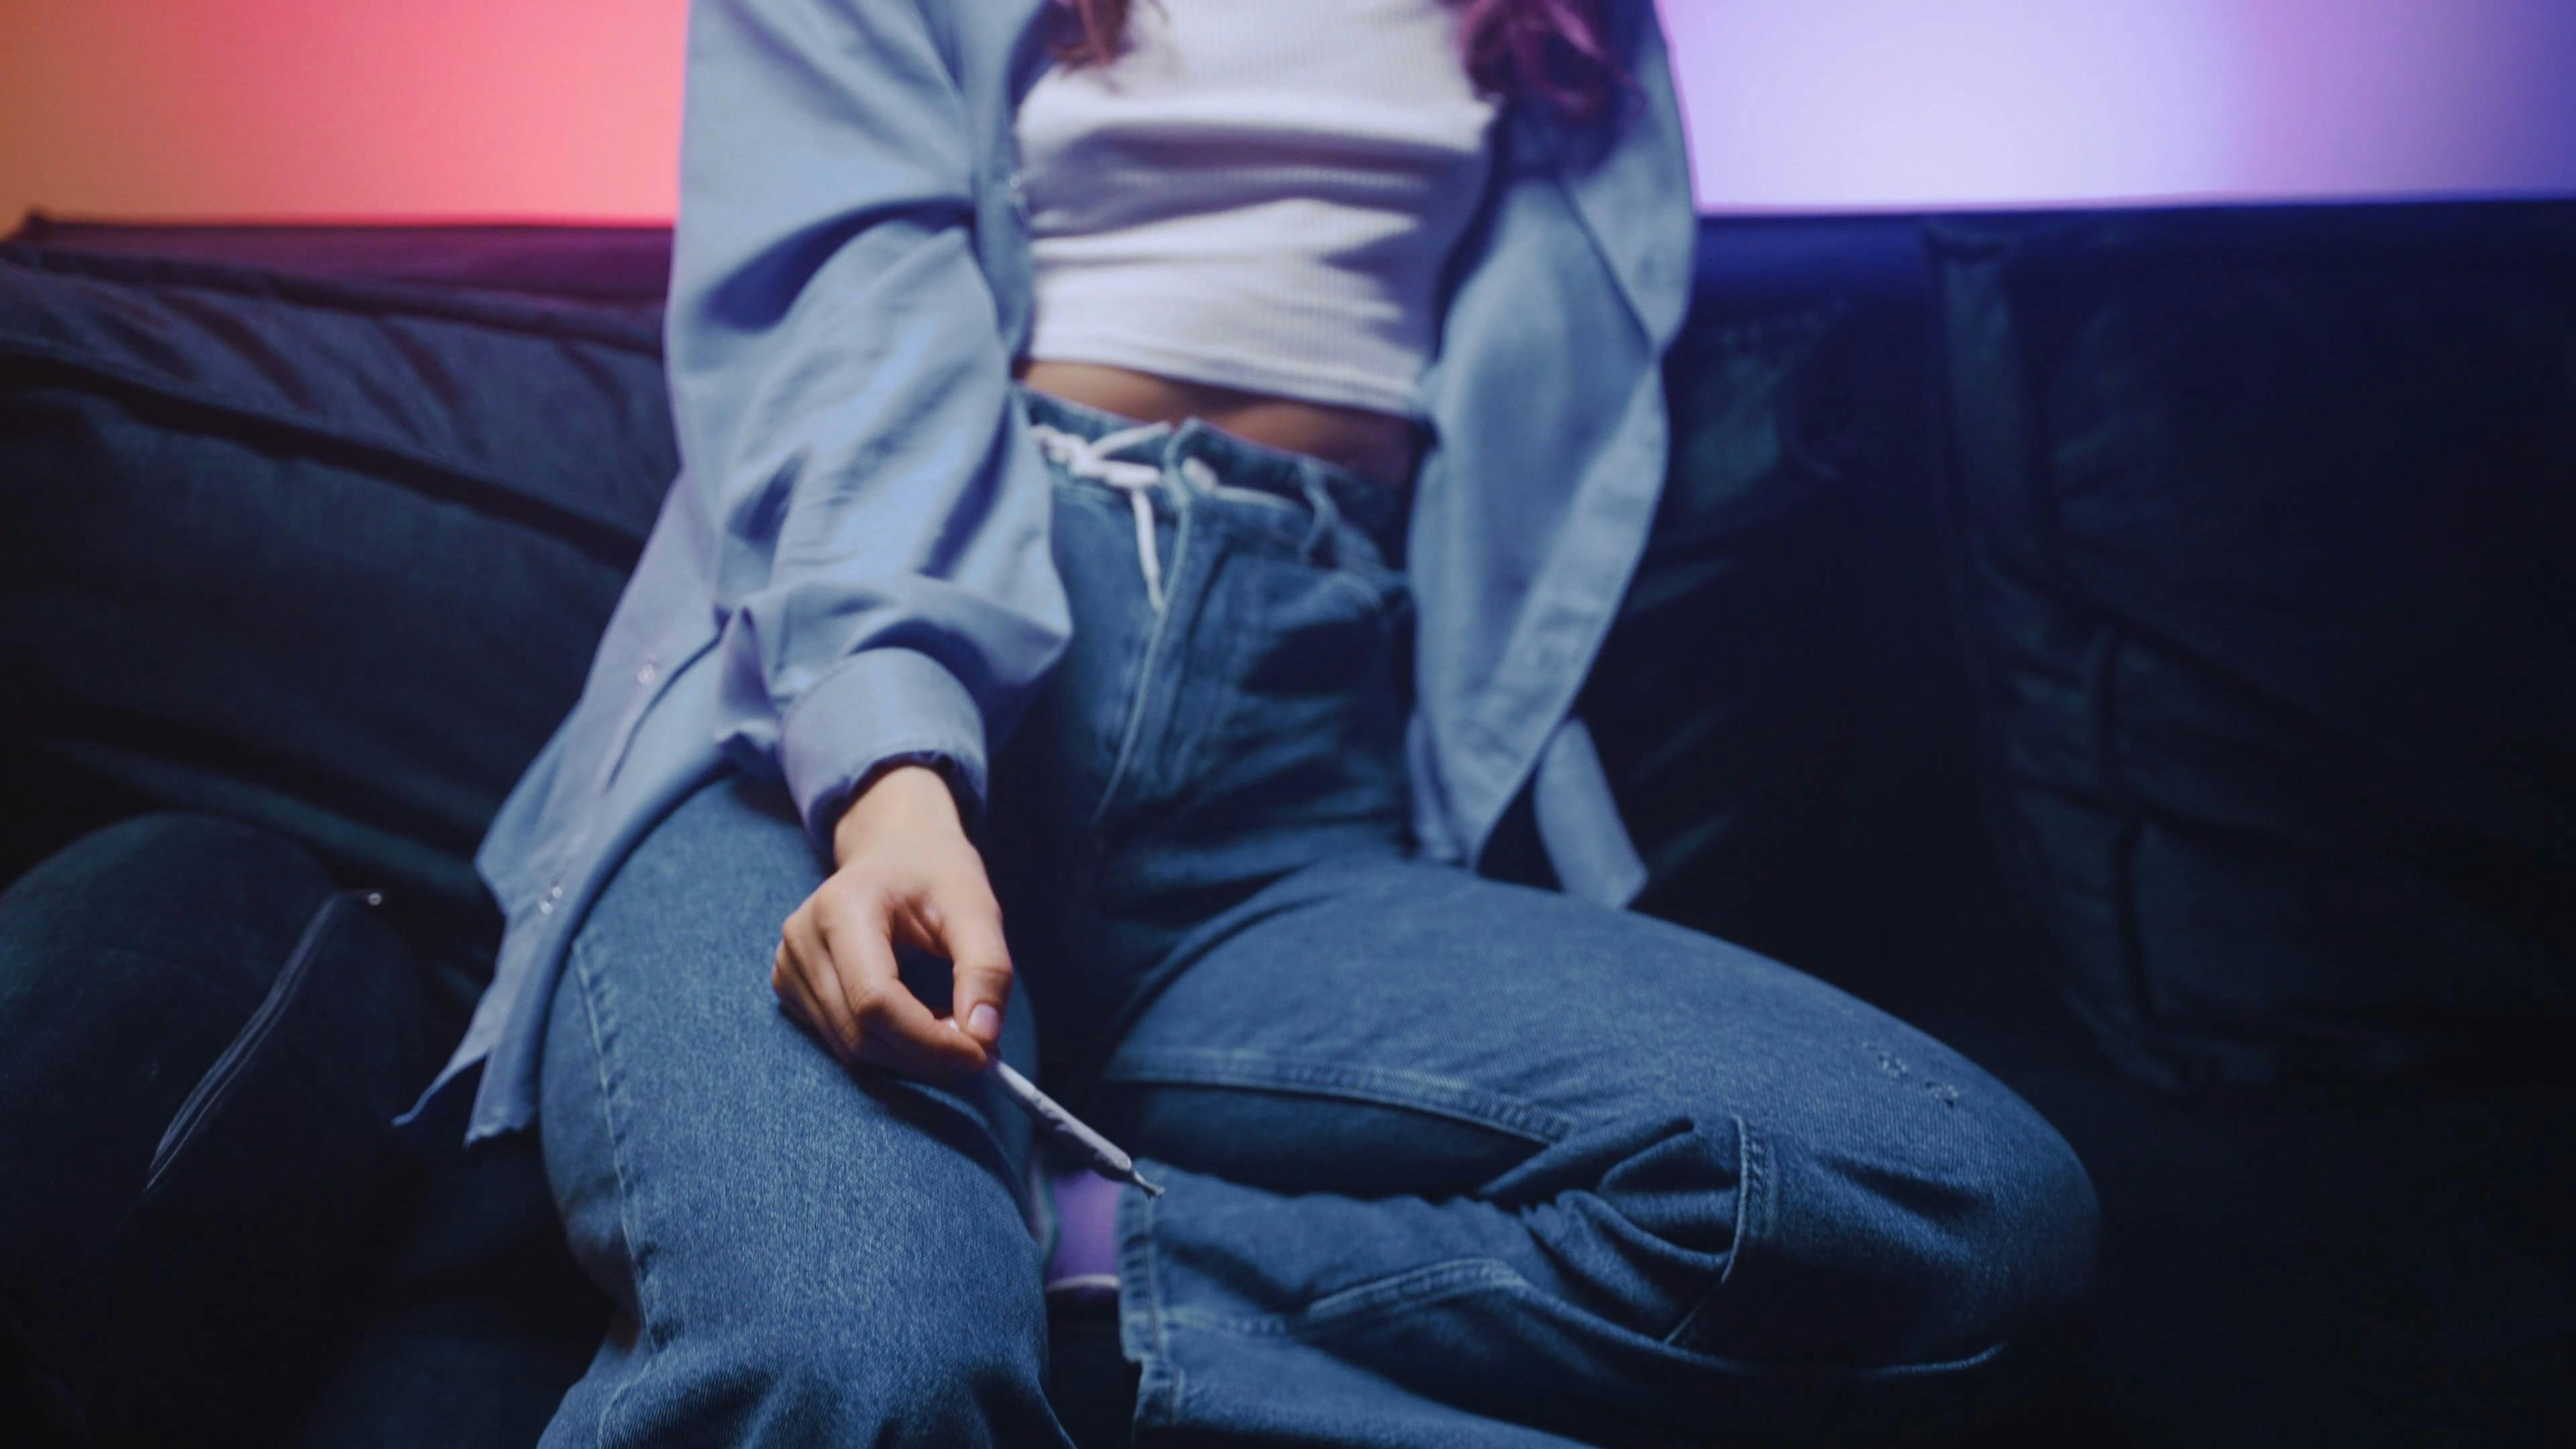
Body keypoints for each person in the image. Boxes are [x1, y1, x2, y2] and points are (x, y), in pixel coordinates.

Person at [398, 0, 2102, 1444]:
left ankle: (1093, 1272)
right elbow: (842, 328)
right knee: (859, 1358)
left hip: (1295, 790)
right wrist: (894, 773)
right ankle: (951, 1264)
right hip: (828, 732)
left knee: (1952, 1204)